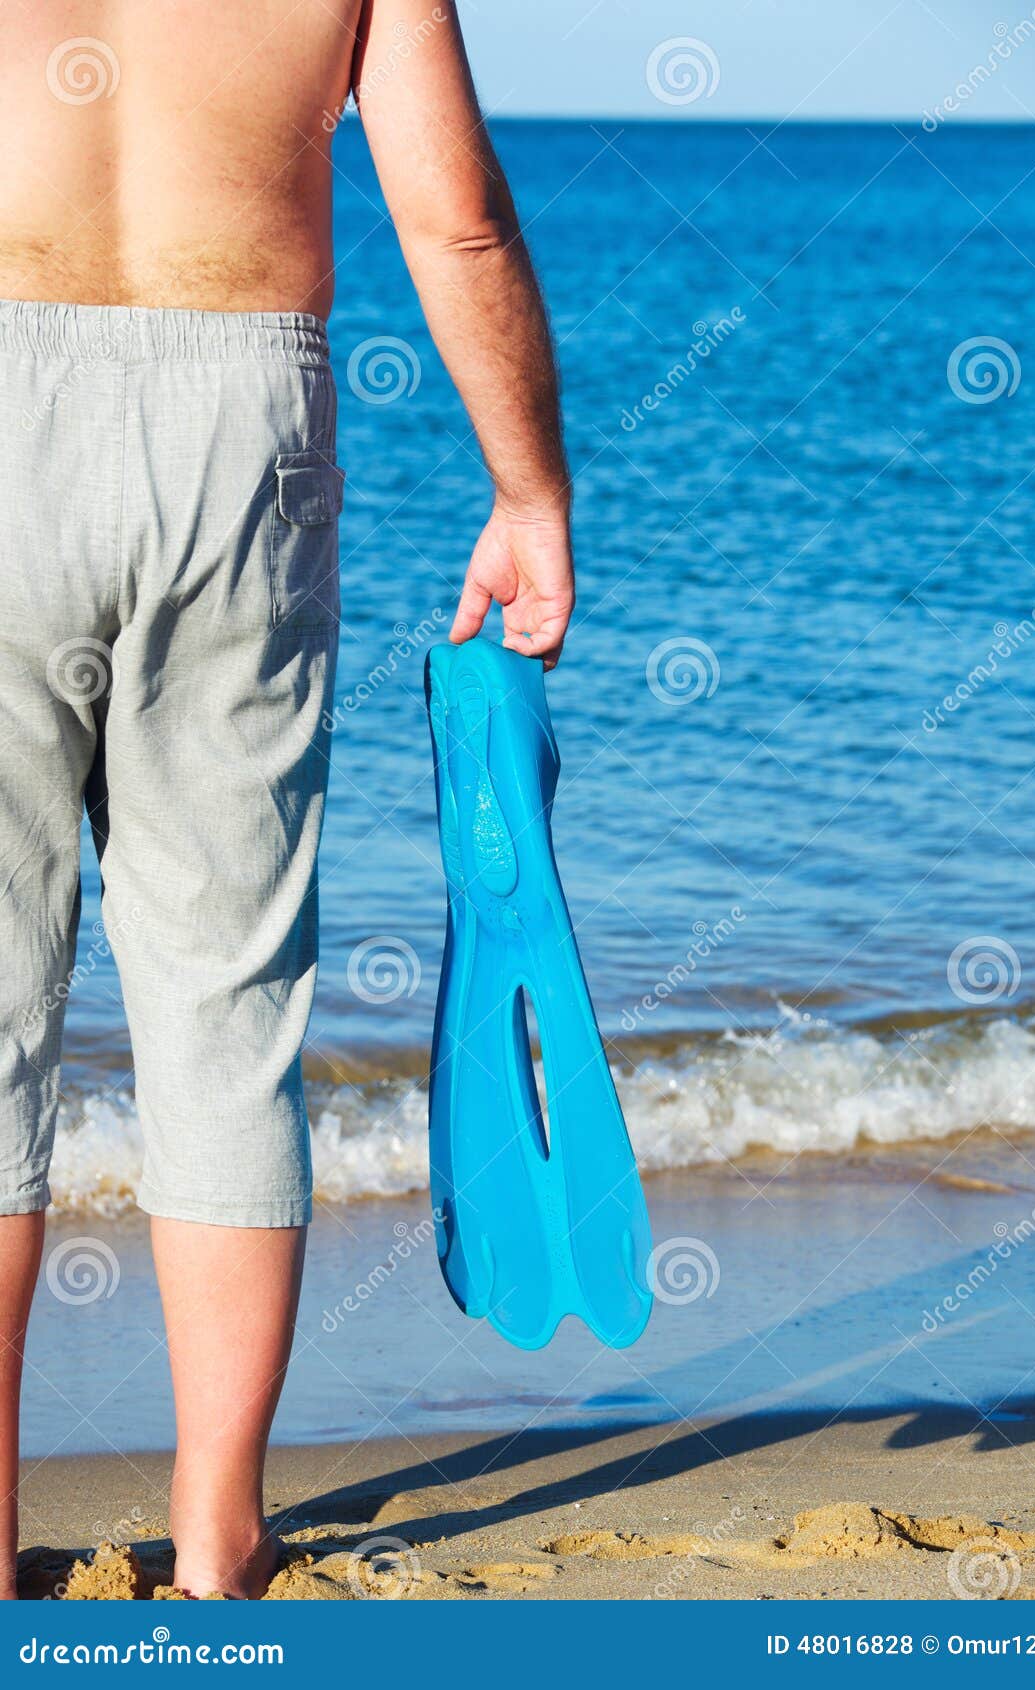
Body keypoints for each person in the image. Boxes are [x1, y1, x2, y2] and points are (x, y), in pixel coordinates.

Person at [0, 0, 573, 1599]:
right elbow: (454, 215)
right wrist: (528, 489)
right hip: (236, 423)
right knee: (226, 1002)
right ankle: (218, 1535)